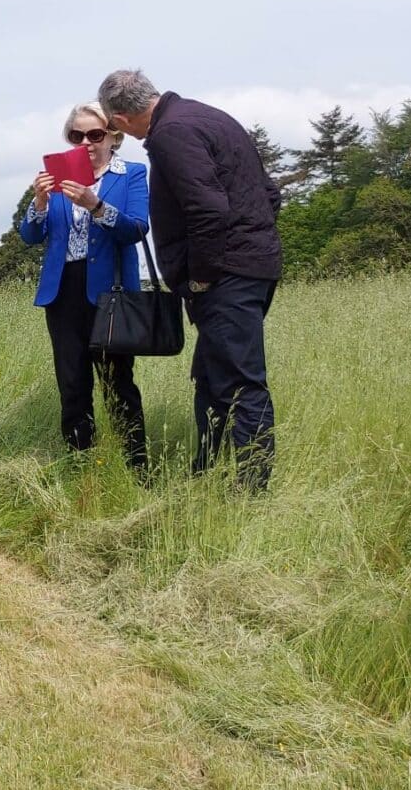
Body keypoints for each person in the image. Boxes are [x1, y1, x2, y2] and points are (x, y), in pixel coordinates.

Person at [97, 70, 282, 490]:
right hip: (251, 266)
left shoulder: (170, 134)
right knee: (212, 377)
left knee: (240, 381)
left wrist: (200, 278)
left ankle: (251, 491)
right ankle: (205, 475)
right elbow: (269, 195)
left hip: (225, 276)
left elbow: (208, 209)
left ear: (121, 119)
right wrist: (255, 244)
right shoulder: (211, 117)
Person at [18, 103, 150, 469]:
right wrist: (40, 202)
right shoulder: (56, 178)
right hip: (64, 291)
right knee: (72, 383)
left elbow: (137, 228)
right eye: (77, 136)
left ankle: (136, 466)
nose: (87, 142)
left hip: (111, 292)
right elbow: (29, 235)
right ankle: (80, 465)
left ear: (113, 136)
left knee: (117, 382)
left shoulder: (131, 174)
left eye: (96, 134)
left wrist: (96, 206)